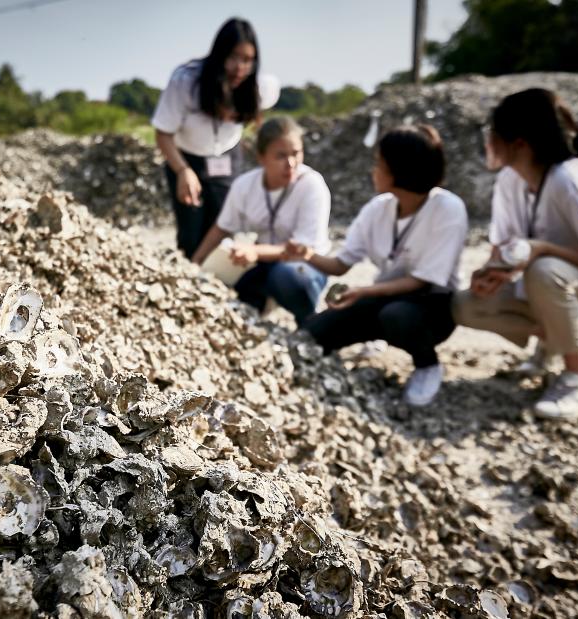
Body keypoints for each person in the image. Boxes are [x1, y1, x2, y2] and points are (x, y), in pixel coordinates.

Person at [454, 88, 578, 421]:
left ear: (520, 143)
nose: (488, 143)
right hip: (563, 290)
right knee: (465, 305)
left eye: (494, 134)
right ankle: (549, 348)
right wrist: (489, 275)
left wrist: (545, 250)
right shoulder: (509, 181)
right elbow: (503, 250)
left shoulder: (572, 181)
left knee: (545, 269)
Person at [286, 125, 467, 407]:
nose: (374, 171)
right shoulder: (378, 209)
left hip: (431, 306)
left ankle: (427, 364)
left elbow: (422, 281)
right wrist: (306, 254)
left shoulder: (448, 209)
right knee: (312, 335)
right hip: (380, 300)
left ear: (400, 171)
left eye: (378, 164)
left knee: (397, 316)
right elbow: (340, 264)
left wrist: (364, 292)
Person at [151, 18, 279, 259]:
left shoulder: (260, 86)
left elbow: (262, 105)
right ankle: (189, 274)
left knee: (223, 225)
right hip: (187, 158)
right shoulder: (186, 81)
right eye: (233, 57)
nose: (239, 67)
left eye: (247, 60)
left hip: (227, 158)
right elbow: (163, 133)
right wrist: (182, 171)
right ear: (218, 55)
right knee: (191, 232)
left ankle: (218, 282)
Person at [191, 116, 331, 327]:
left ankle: (309, 324)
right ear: (261, 157)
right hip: (264, 263)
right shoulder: (245, 186)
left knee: (288, 277)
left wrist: (254, 251)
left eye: (296, 154)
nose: (291, 163)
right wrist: (194, 265)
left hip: (305, 265)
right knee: (234, 303)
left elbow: (302, 249)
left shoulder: (311, 186)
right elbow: (221, 229)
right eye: (281, 156)